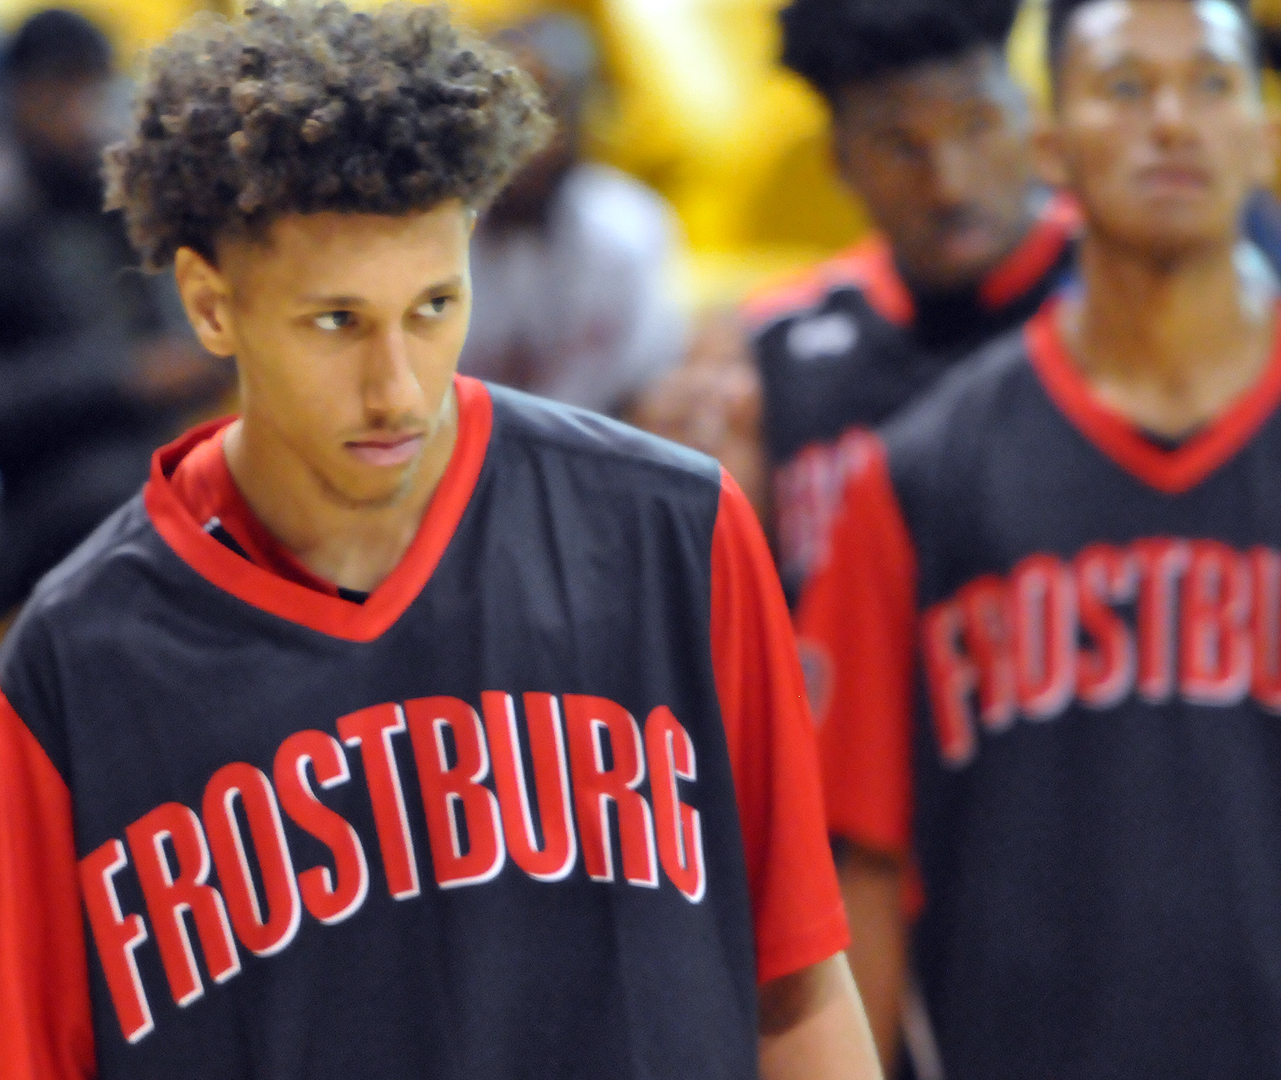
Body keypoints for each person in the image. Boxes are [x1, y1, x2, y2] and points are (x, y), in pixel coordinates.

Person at [0, 3, 882, 1078]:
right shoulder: (77, 658)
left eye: (434, 307)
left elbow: (798, 993)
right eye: (338, 323)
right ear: (210, 307)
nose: (397, 389)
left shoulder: (674, 534)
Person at [797, 0, 1281, 1076]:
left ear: (1265, 133)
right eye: (1122, 88)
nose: (1169, 121)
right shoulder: (919, 471)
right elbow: (859, 866)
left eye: (1209, 85)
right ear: (1051, 147)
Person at [640, 0, 1077, 600]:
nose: (947, 182)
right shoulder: (763, 353)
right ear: (840, 163)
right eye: (899, 145)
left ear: (1034, 121)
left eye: (977, 124)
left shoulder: (1130, 288)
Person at [0, 8, 227, 615]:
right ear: (16, 94)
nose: (83, 109)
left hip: (135, 452)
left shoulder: (114, 197)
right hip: (12, 498)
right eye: (63, 89)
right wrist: (120, 380)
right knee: (142, 492)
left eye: (93, 87)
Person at [457, 13, 688, 417]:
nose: (529, 143)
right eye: (507, 116)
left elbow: (647, 389)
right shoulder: (436, 230)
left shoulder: (626, 226)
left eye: (548, 111)